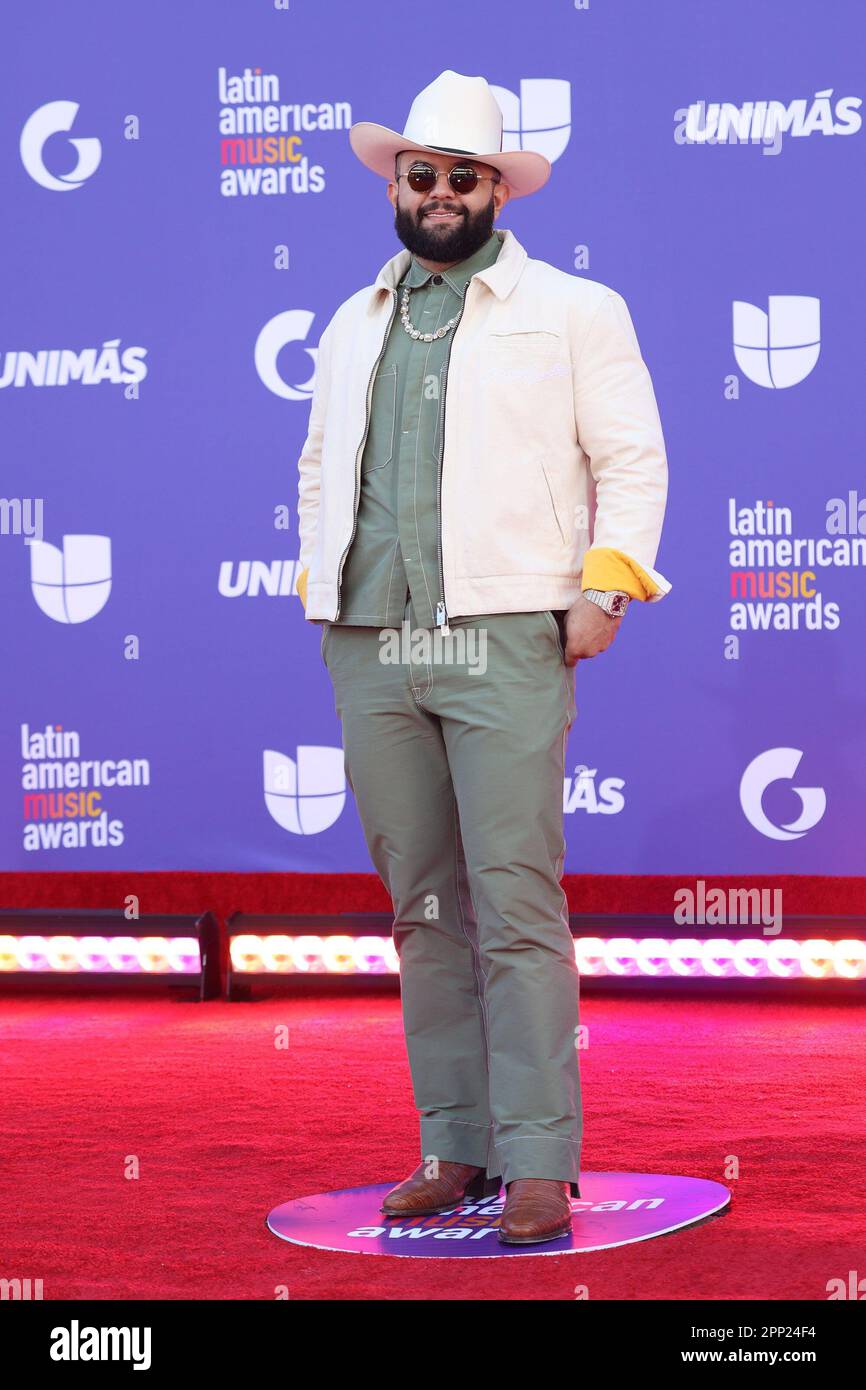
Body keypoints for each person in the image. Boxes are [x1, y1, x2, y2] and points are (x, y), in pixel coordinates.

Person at [295, 70, 670, 1244]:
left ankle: (541, 1160)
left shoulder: (574, 309)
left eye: (464, 175)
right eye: (422, 174)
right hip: (370, 640)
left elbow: (632, 460)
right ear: (395, 185)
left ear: (496, 189)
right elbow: (319, 467)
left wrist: (603, 589)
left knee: (513, 902)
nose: (441, 192)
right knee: (421, 907)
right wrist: (323, 594)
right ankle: (453, 1143)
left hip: (506, 633)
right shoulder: (355, 318)